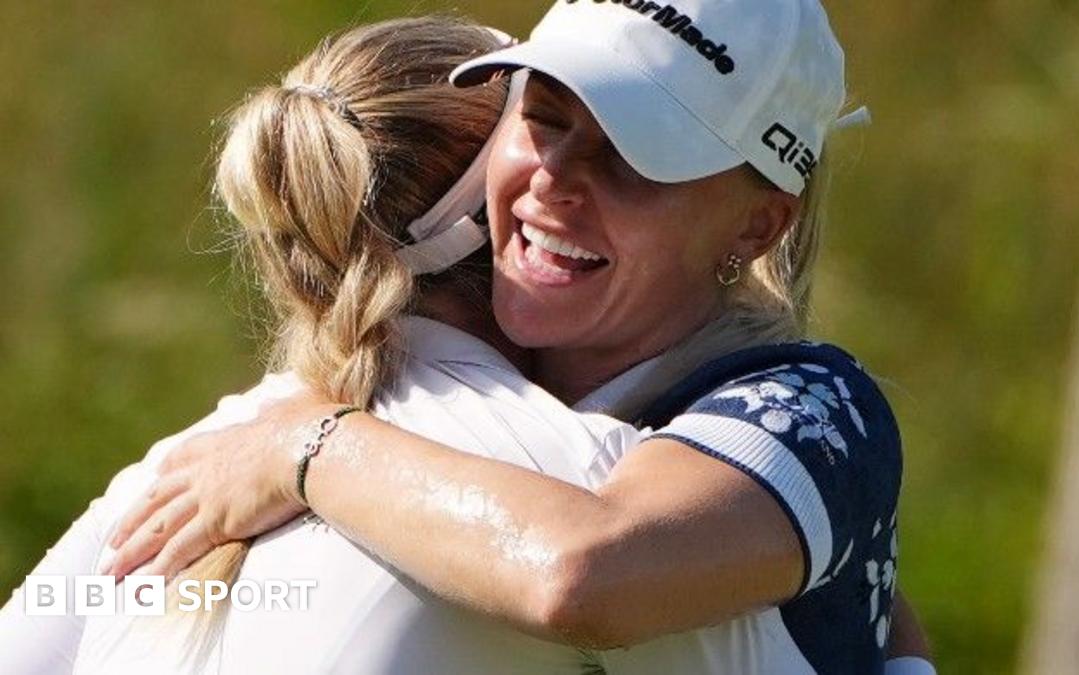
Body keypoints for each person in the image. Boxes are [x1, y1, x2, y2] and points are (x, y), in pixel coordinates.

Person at [0, 10, 933, 675]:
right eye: (546, 119)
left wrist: (304, 445)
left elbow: (583, 571)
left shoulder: (803, 407)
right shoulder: (245, 453)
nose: (555, 180)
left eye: (636, 158)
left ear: (757, 226)